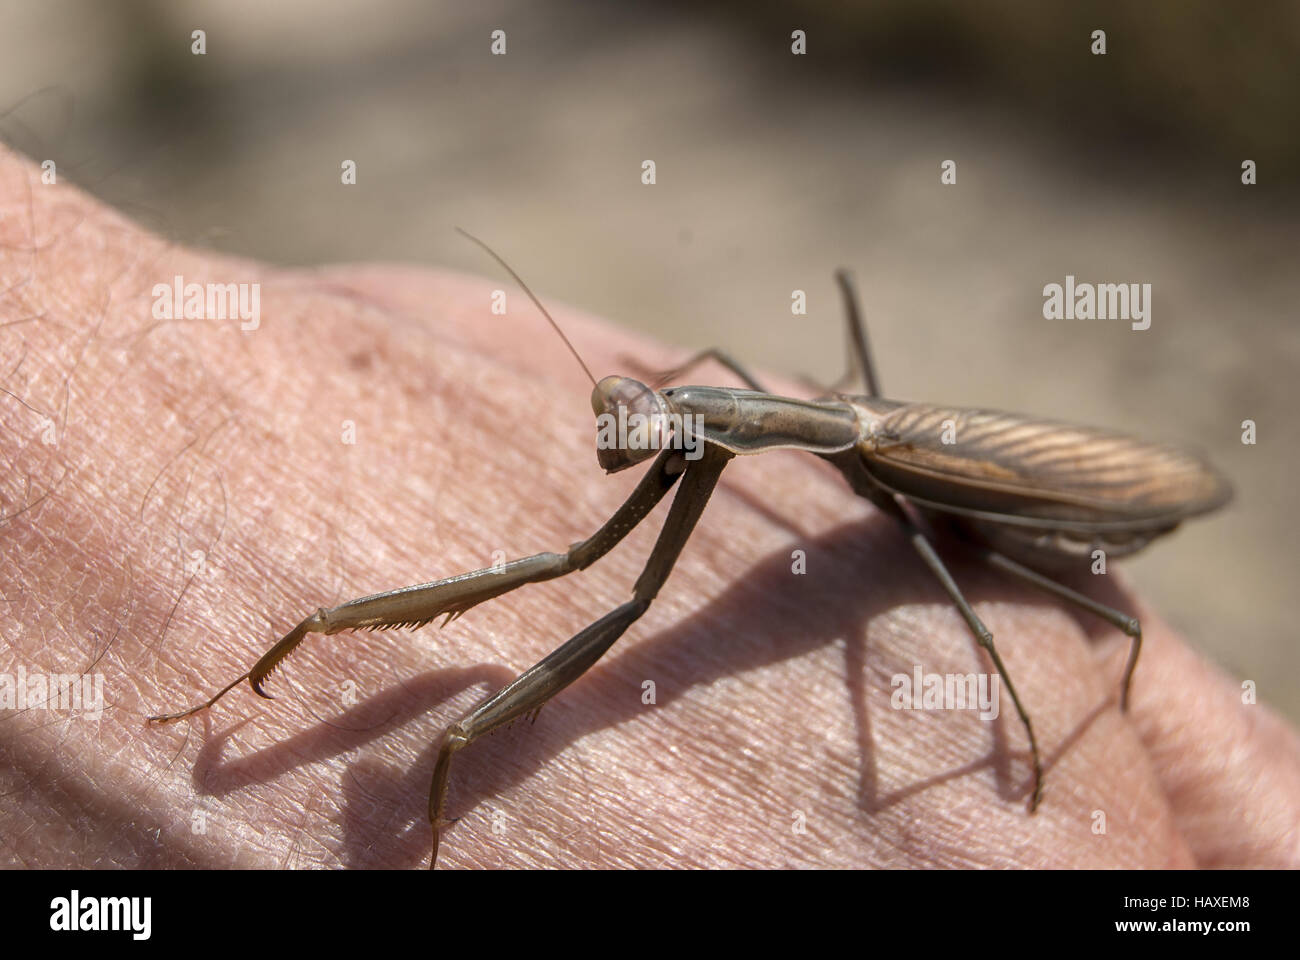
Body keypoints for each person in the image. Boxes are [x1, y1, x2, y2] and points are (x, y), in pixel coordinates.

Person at [2, 146, 1296, 868]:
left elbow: (611, 578)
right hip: (880, 450)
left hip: (1004, 496)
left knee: (1091, 628)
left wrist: (1014, 708)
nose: (628, 439)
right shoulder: (738, 420)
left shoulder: (832, 454)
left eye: (653, 426)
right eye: (642, 419)